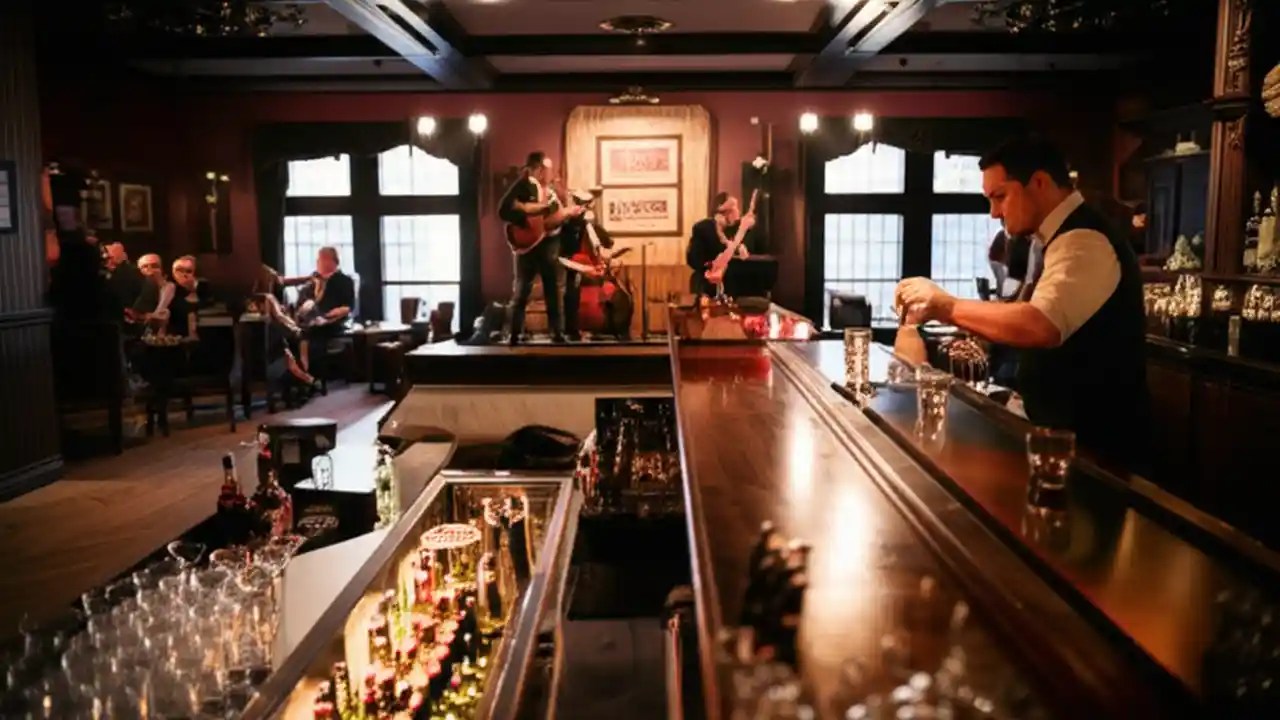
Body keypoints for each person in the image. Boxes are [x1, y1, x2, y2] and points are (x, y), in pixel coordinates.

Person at [895, 135, 1148, 471]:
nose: (994, 212)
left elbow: (1040, 325)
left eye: (1000, 196)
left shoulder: (1084, 240)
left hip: (1090, 453)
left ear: (1039, 182)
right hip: (1057, 439)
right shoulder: (1049, 240)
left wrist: (946, 306)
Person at [498, 151, 583, 344]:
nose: (551, 173)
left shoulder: (552, 192)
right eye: (547, 169)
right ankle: (516, 333)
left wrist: (569, 212)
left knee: (550, 290)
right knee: (527, 291)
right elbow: (547, 221)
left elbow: (550, 219)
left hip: (547, 244)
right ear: (538, 170)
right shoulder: (524, 186)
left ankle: (553, 333)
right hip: (534, 246)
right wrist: (565, 213)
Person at [557, 189, 616, 340]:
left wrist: (605, 258)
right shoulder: (562, 226)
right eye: (582, 205)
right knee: (568, 291)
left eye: (587, 206)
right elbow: (558, 258)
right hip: (558, 267)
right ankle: (565, 331)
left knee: (575, 289)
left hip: (575, 267)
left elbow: (597, 244)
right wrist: (584, 268)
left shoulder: (585, 224)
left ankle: (575, 330)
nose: (585, 211)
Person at [686, 192, 755, 297]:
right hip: (706, 286)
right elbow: (697, 260)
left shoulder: (730, 231)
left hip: (728, 287)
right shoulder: (704, 228)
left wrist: (740, 247)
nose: (738, 212)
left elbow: (741, 254)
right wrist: (741, 232)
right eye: (734, 207)